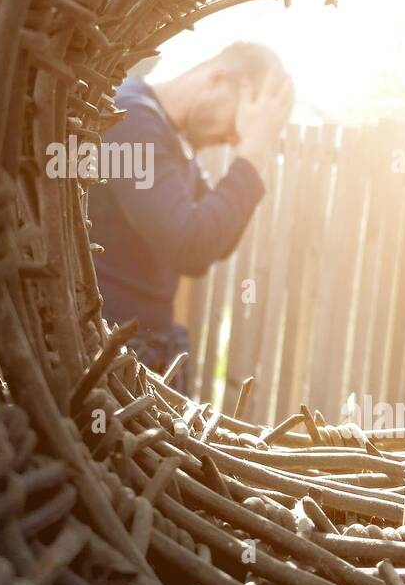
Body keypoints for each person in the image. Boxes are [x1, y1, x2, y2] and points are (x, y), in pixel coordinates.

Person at [88, 42, 294, 386]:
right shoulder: (129, 118)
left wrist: (254, 161)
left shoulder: (172, 137)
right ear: (217, 79)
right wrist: (253, 158)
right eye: (238, 124)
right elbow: (188, 244)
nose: (233, 139)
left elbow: (210, 246)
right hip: (102, 356)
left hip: (138, 351)